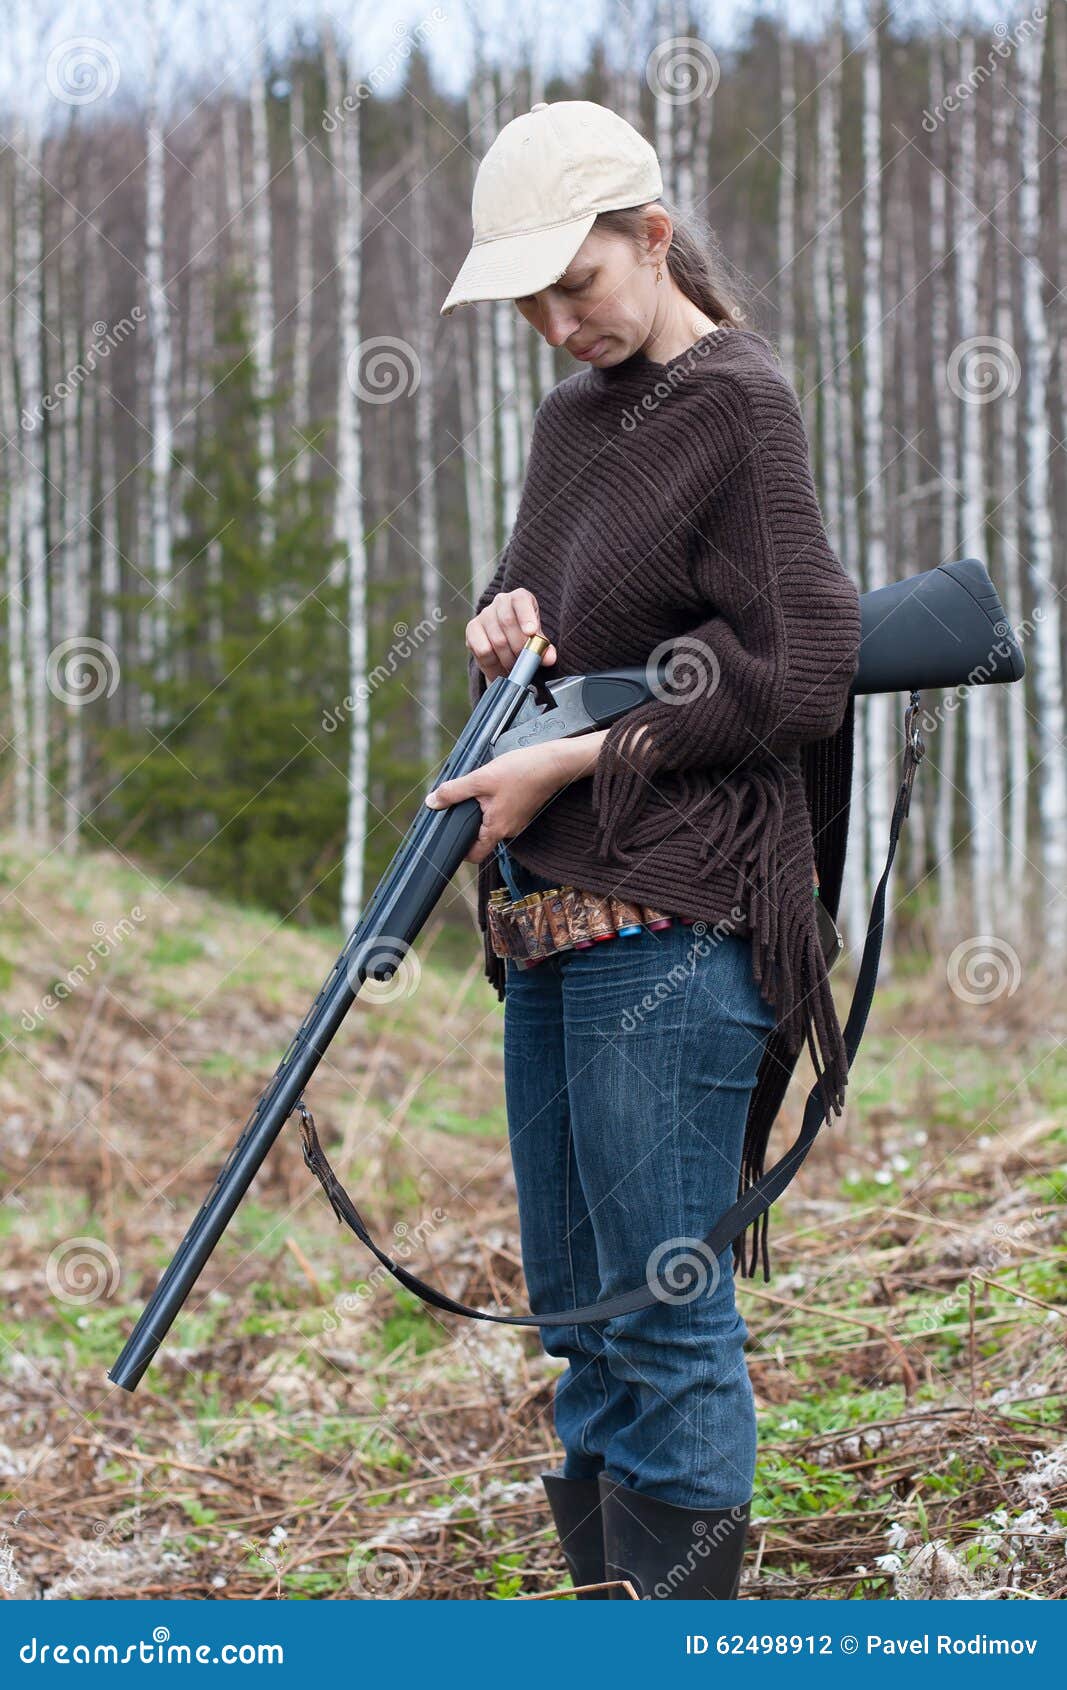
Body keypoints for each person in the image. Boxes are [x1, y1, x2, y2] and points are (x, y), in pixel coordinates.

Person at [425, 100, 861, 1600]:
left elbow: (796, 667)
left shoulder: (738, 400)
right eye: (532, 300)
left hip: (675, 931)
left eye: (580, 284)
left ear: (654, 236)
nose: (558, 323)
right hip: (551, 929)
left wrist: (580, 758)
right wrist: (501, 622)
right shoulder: (571, 424)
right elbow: (556, 617)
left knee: (662, 1320)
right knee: (586, 1317)